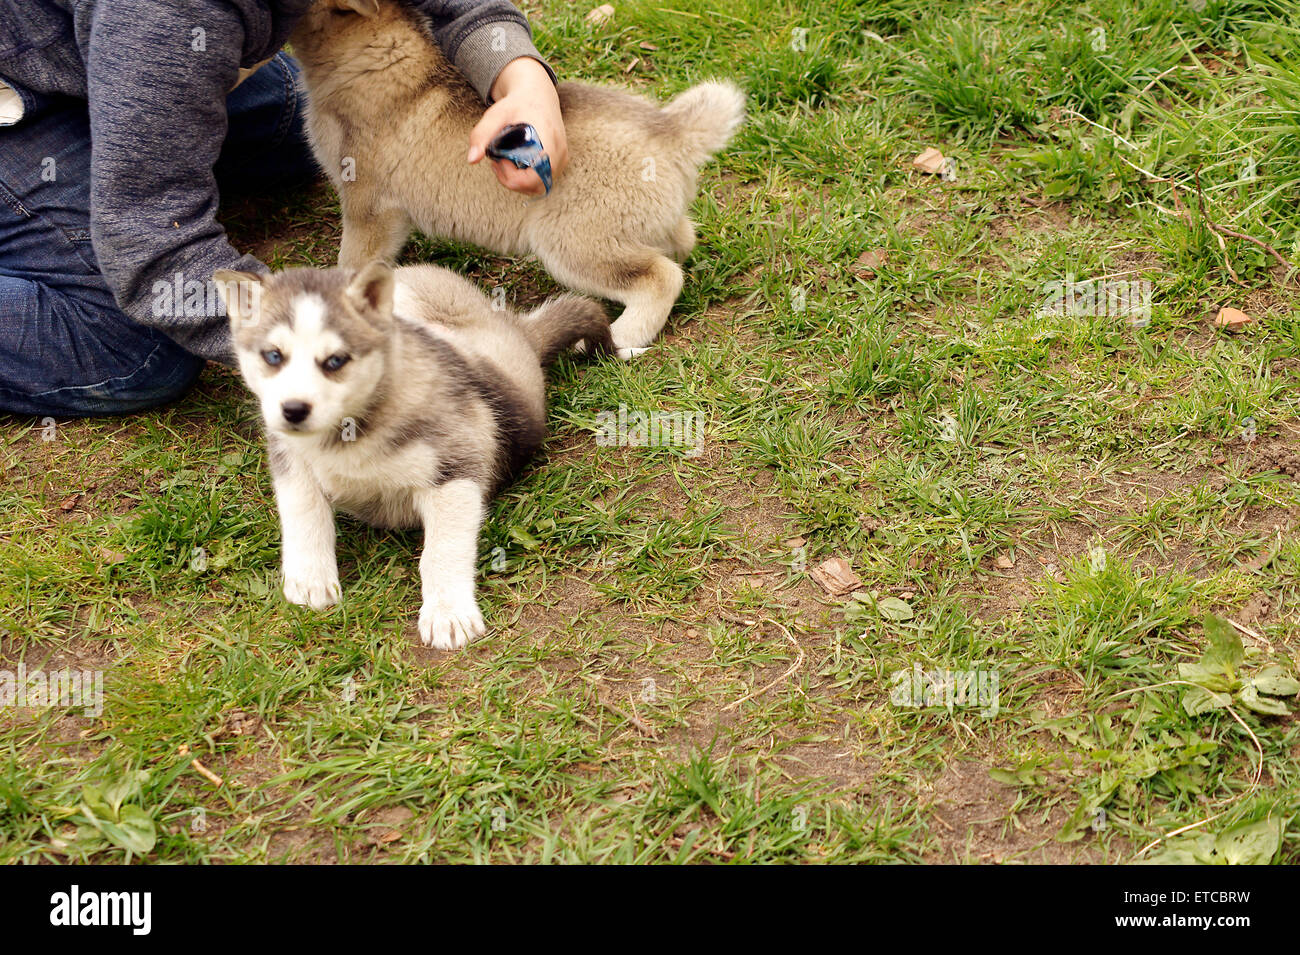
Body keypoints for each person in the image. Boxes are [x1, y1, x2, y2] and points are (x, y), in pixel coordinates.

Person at [0, 0, 568, 417]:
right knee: (137, 351)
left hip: (111, 44)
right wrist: (344, 350)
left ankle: (128, 115)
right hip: (27, 86)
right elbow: (146, 239)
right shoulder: (164, 17)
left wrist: (519, 77)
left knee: (288, 126)